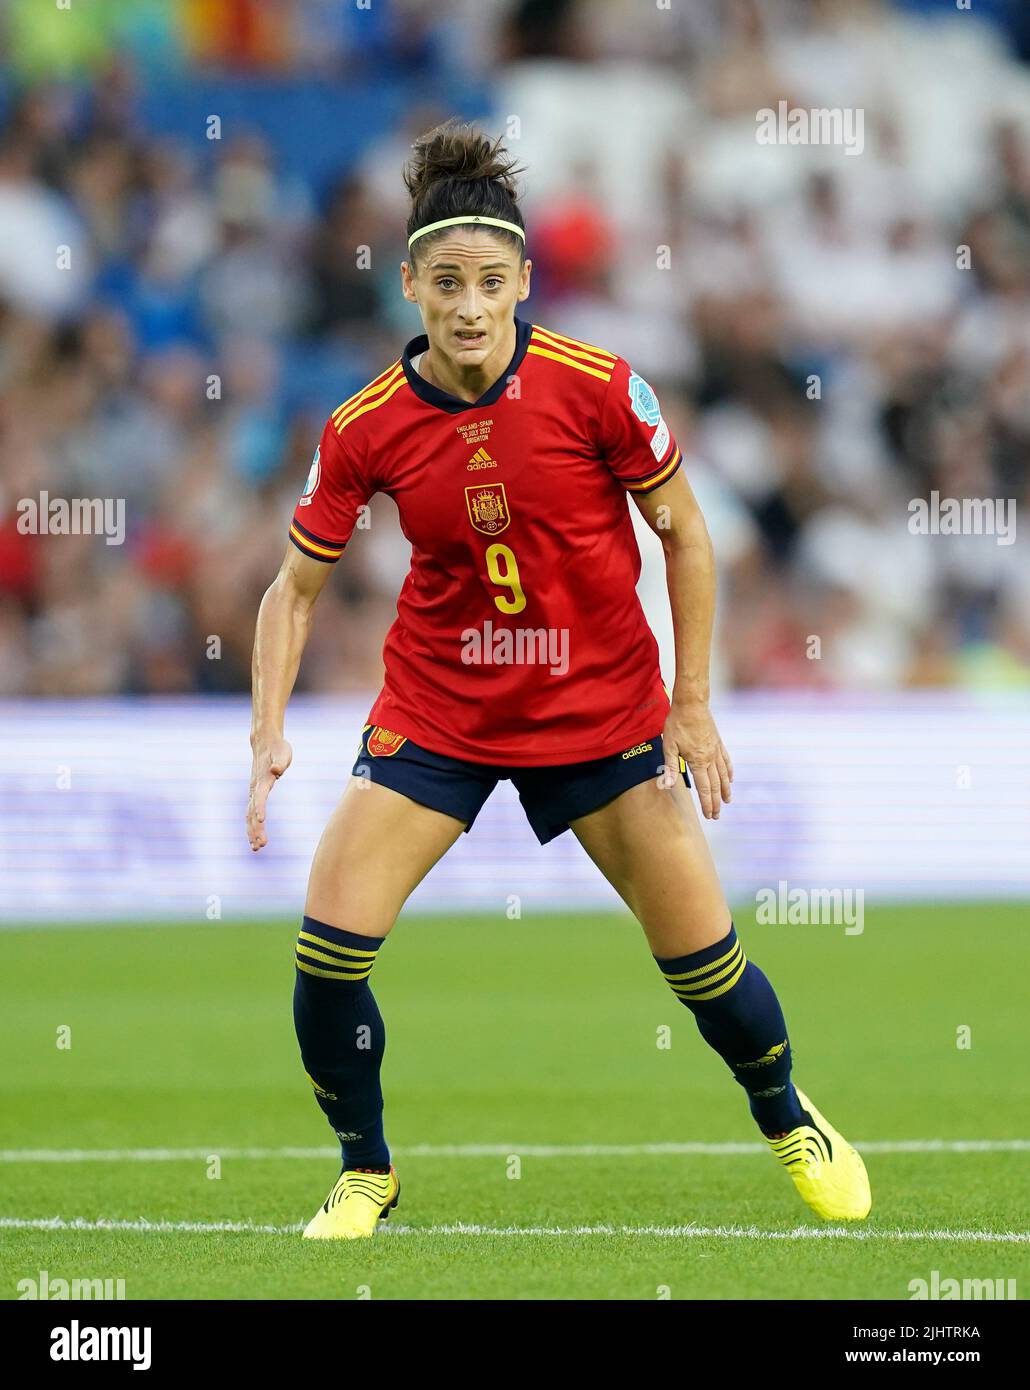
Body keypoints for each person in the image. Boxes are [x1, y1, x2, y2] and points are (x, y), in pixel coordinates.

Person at [246, 121, 871, 1238]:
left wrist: (692, 703)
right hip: (441, 710)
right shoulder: (360, 428)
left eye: (491, 281)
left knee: (706, 971)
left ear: (525, 281)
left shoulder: (601, 388)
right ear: (411, 287)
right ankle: (365, 1172)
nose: (471, 305)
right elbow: (291, 591)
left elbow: (683, 533)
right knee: (326, 954)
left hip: (601, 713)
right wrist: (266, 735)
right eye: (447, 283)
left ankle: (786, 1114)